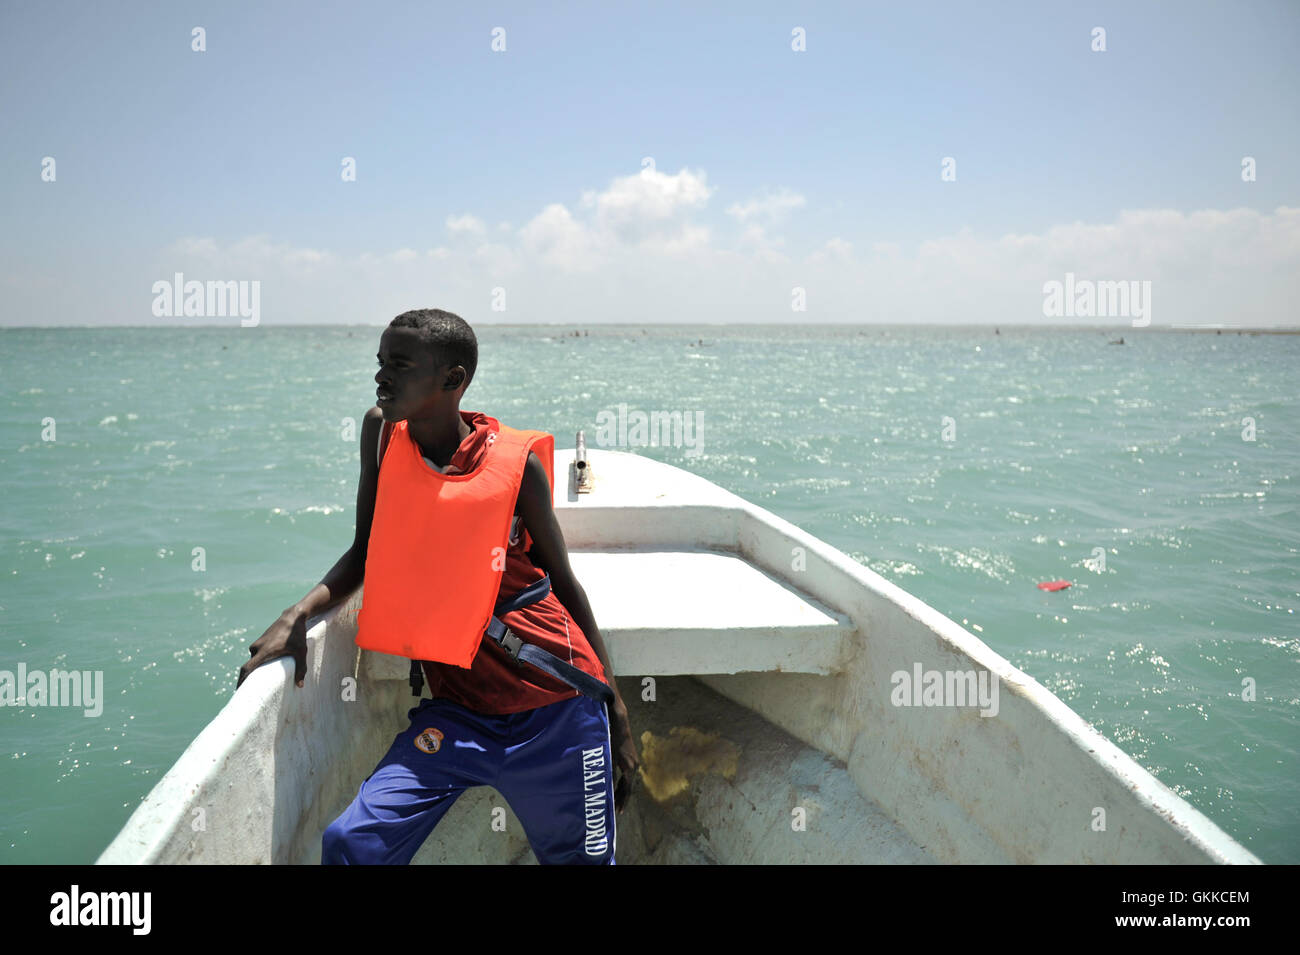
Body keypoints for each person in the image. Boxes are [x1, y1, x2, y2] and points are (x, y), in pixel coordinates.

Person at [236, 308, 638, 864]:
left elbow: (564, 583)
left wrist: (616, 708)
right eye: (380, 363)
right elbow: (365, 552)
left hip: (556, 705)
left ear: (453, 380)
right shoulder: (380, 435)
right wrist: (297, 614)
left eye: (399, 365)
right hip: (458, 710)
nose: (382, 377)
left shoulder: (518, 468)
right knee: (352, 844)